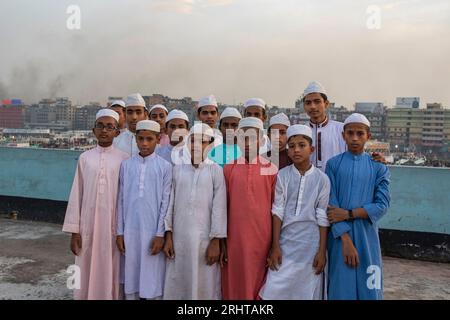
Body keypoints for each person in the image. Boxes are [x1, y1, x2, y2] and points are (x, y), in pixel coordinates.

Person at [62, 109, 128, 300]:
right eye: (100, 126)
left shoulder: (124, 159)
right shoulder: (85, 158)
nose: (104, 130)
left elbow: (125, 197)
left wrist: (123, 229)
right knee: (84, 265)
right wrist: (75, 230)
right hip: (87, 225)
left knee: (111, 266)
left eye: (110, 127)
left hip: (112, 225)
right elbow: (77, 194)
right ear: (93, 130)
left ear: (117, 132)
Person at [259, 125, 330, 300]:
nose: (296, 150)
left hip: (310, 245)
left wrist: (321, 251)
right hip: (285, 243)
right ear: (288, 151)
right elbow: (278, 211)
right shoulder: (282, 175)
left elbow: (322, 216)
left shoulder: (322, 179)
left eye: (301, 145)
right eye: (292, 146)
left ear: (311, 149)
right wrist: (275, 246)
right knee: (273, 289)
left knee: (305, 292)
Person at [325, 113, 390, 300]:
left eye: (360, 134)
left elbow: (382, 205)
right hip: (339, 237)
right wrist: (345, 240)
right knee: (340, 289)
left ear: (368, 136)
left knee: (370, 289)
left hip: (367, 237)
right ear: (343, 135)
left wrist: (348, 214)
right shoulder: (333, 165)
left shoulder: (379, 167)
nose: (355, 138)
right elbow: (331, 205)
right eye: (350, 133)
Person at [163, 123, 227, 300]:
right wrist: (168, 235)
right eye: (193, 141)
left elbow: (219, 208)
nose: (197, 146)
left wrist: (216, 241)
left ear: (210, 145)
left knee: (205, 285)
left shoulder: (216, 171)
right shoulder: (177, 170)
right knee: (178, 283)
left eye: (203, 142)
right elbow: (170, 205)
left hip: (205, 241)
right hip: (179, 240)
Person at [221, 117, 277, 300]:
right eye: (243, 137)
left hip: (262, 240)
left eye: (253, 138)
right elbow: (223, 207)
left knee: (259, 284)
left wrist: (274, 245)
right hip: (234, 239)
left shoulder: (271, 169)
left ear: (261, 140)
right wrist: (222, 241)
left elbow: (276, 209)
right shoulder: (229, 168)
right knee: (234, 282)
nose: (248, 143)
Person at [116, 120, 172, 300]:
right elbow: (121, 200)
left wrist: (159, 234)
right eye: (141, 139)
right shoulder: (126, 165)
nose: (145, 143)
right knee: (131, 274)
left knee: (152, 276)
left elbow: (165, 202)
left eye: (149, 139)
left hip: (153, 231)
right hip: (130, 230)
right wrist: (120, 232)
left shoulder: (165, 167)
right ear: (136, 139)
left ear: (158, 139)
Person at [302, 81, 385, 171]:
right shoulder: (301, 132)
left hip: (337, 181)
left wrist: (376, 159)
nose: (313, 106)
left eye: (317, 102)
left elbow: (358, 155)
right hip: (308, 183)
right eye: (308, 103)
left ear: (326, 104)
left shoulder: (342, 129)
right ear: (304, 106)